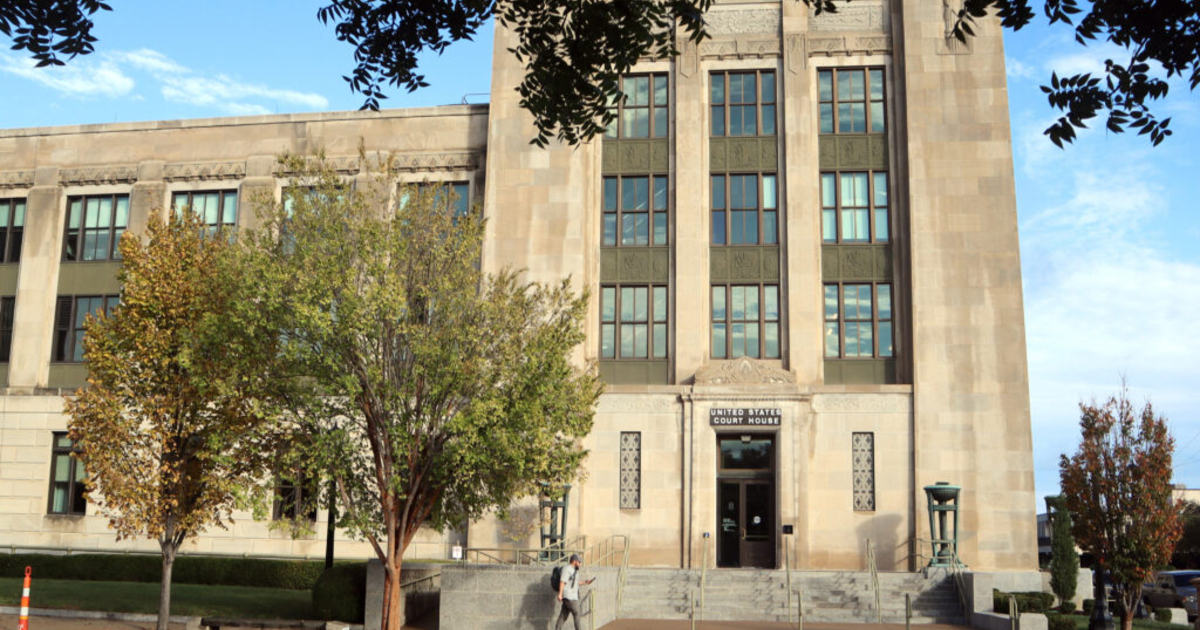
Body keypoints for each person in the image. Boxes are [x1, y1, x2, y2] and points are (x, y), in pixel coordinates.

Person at [555, 553, 595, 630]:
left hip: (573, 596)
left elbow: (576, 582)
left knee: (563, 615)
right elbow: (562, 581)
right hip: (568, 596)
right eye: (579, 562)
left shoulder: (574, 570)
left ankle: (557, 628)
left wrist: (586, 582)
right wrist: (560, 594)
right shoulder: (567, 569)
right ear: (575, 561)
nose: (580, 564)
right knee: (577, 612)